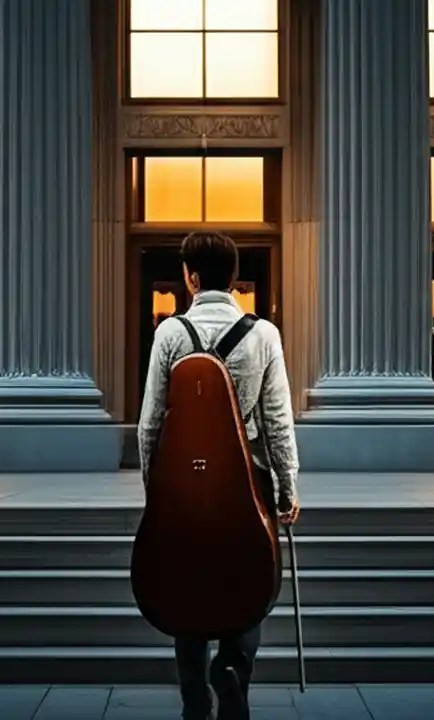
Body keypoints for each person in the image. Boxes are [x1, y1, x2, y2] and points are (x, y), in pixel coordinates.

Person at [138, 231, 301, 720]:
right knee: (249, 578)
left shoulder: (170, 334)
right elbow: (278, 421)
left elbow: (150, 424)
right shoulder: (263, 334)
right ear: (234, 280)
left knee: (185, 583)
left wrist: (156, 491)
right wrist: (288, 487)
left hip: (183, 487)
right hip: (246, 480)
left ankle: (193, 697)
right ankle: (233, 668)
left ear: (190, 277)